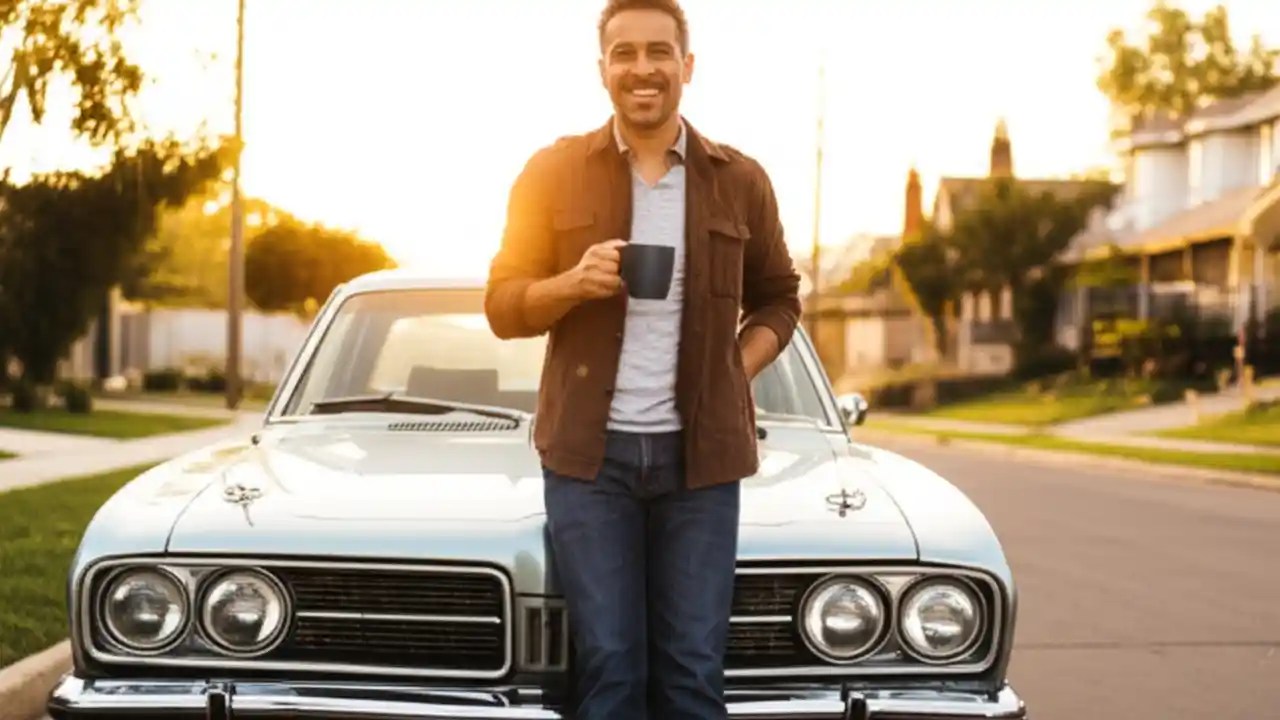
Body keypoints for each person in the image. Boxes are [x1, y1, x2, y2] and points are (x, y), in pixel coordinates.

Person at [484, 0, 801, 717]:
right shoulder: (552, 172)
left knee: (693, 675)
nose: (642, 68)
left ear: (687, 66)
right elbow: (502, 306)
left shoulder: (740, 179)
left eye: (659, 51)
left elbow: (781, 298)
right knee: (611, 671)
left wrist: (735, 369)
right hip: (588, 465)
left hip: (703, 463)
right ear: (602, 70)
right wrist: (572, 284)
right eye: (623, 53)